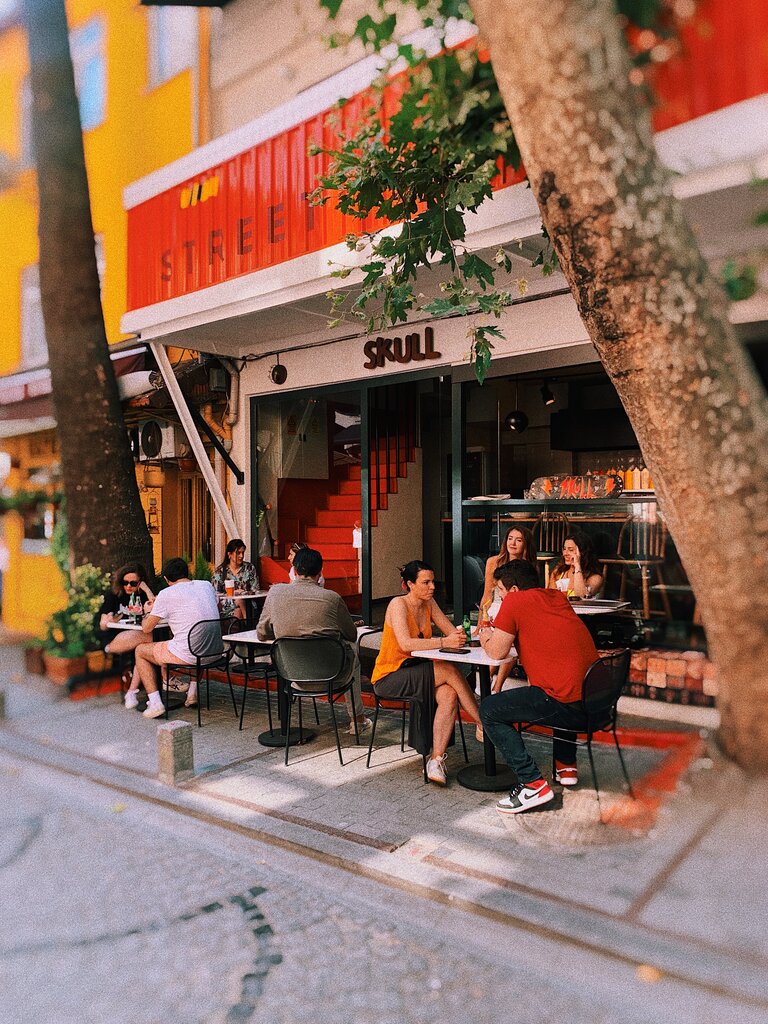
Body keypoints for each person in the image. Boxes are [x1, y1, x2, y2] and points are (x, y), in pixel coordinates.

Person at [478, 560, 599, 814]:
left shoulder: (514, 602)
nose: (499, 596)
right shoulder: (556, 596)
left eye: (499, 590)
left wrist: (485, 634)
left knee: (489, 709)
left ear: (512, 590)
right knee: (559, 683)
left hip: (568, 708)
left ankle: (532, 784)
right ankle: (566, 767)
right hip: (597, 703)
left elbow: (497, 653)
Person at [371, 560, 482, 786]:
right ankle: (484, 723)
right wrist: (443, 641)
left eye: (433, 581)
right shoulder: (397, 604)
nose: (433, 586)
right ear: (410, 584)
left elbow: (451, 633)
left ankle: (436, 760)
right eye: (426, 582)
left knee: (450, 694)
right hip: (390, 675)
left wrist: (463, 636)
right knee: (449, 669)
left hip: (416, 671)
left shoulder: (428, 603)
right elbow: (404, 643)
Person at [257, 546, 369, 736]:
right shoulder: (331, 598)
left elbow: (261, 633)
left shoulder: (275, 593)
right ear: (320, 572)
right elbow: (351, 634)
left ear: (294, 569)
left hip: (292, 676)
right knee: (353, 651)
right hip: (332, 676)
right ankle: (357, 719)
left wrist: (287, 629)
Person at [132, 557, 221, 718]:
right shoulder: (206, 585)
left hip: (191, 654)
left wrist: (147, 611)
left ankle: (156, 703)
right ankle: (192, 693)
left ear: (166, 579)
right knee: (196, 639)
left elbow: (147, 628)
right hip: (215, 651)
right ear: (187, 573)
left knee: (140, 650)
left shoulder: (167, 593)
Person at [478, 526, 538, 694]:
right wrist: (480, 623)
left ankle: (496, 687)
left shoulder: (529, 567)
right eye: (510, 538)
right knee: (508, 643)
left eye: (519, 540)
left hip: (518, 611)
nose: (513, 543)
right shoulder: (493, 562)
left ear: (525, 545)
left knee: (512, 645)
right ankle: (488, 679)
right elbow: (486, 596)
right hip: (496, 608)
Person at [99, 564, 156, 692]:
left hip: (135, 638)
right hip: (113, 641)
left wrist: (147, 590)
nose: (128, 586)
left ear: (140, 583)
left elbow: (158, 610)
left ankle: (134, 688)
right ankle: (162, 680)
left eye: (133, 583)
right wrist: (107, 620)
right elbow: (102, 625)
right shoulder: (113, 596)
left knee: (145, 645)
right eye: (125, 583)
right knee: (152, 636)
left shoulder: (142, 597)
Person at [548, 530, 603, 599]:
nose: (565, 553)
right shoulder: (558, 572)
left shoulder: (595, 578)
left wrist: (577, 566)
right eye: (564, 549)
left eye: (570, 550)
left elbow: (582, 596)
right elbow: (550, 598)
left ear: (582, 552)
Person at [212, 539, 259, 619]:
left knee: (239, 604)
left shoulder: (249, 568)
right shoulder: (220, 571)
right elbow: (216, 594)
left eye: (243, 553)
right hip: (227, 606)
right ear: (229, 554)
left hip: (248, 604)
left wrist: (243, 594)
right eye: (238, 553)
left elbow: (256, 589)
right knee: (238, 610)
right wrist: (233, 593)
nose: (241, 556)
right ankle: (246, 625)